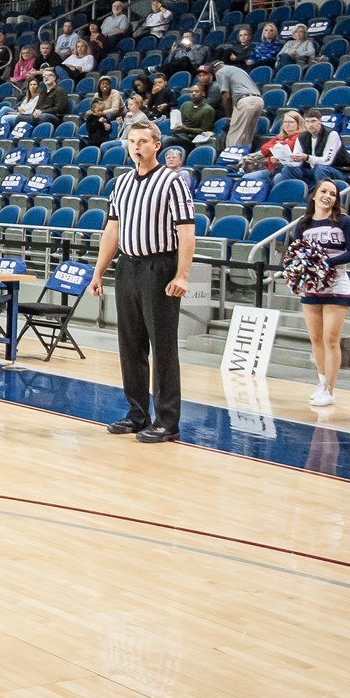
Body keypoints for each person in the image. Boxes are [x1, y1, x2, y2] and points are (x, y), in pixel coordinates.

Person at [90, 120, 195, 444]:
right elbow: (112, 230)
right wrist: (98, 271)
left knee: (162, 347)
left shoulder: (172, 182)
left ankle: (167, 421)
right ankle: (137, 413)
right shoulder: (121, 184)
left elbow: (186, 231)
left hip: (159, 267)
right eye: (132, 141)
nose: (137, 146)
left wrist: (182, 274)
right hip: (128, 267)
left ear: (157, 146)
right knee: (130, 345)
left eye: (143, 141)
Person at [291, 180, 350, 408]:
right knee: (316, 339)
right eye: (323, 191)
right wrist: (303, 270)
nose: (328, 196)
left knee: (331, 339)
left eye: (333, 193)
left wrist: (324, 262)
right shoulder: (304, 224)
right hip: (312, 287)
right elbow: (296, 254)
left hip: (336, 285)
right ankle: (321, 382)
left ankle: (330, 389)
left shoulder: (344, 221)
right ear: (314, 196)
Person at [277, 110, 349, 186]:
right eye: (307, 122)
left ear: (320, 121)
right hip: (312, 170)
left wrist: (307, 157)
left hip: (337, 170)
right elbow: (296, 162)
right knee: (288, 169)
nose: (310, 125)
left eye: (313, 121)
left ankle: (320, 194)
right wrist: (282, 160)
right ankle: (294, 195)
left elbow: (327, 161)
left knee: (320, 168)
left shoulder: (332, 134)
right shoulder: (302, 137)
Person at [204, 60, 264, 148]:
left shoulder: (220, 72)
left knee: (234, 135)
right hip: (259, 100)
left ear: (214, 70)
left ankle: (231, 159)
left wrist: (229, 116)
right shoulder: (239, 70)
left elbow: (226, 96)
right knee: (247, 136)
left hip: (245, 101)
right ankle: (244, 159)